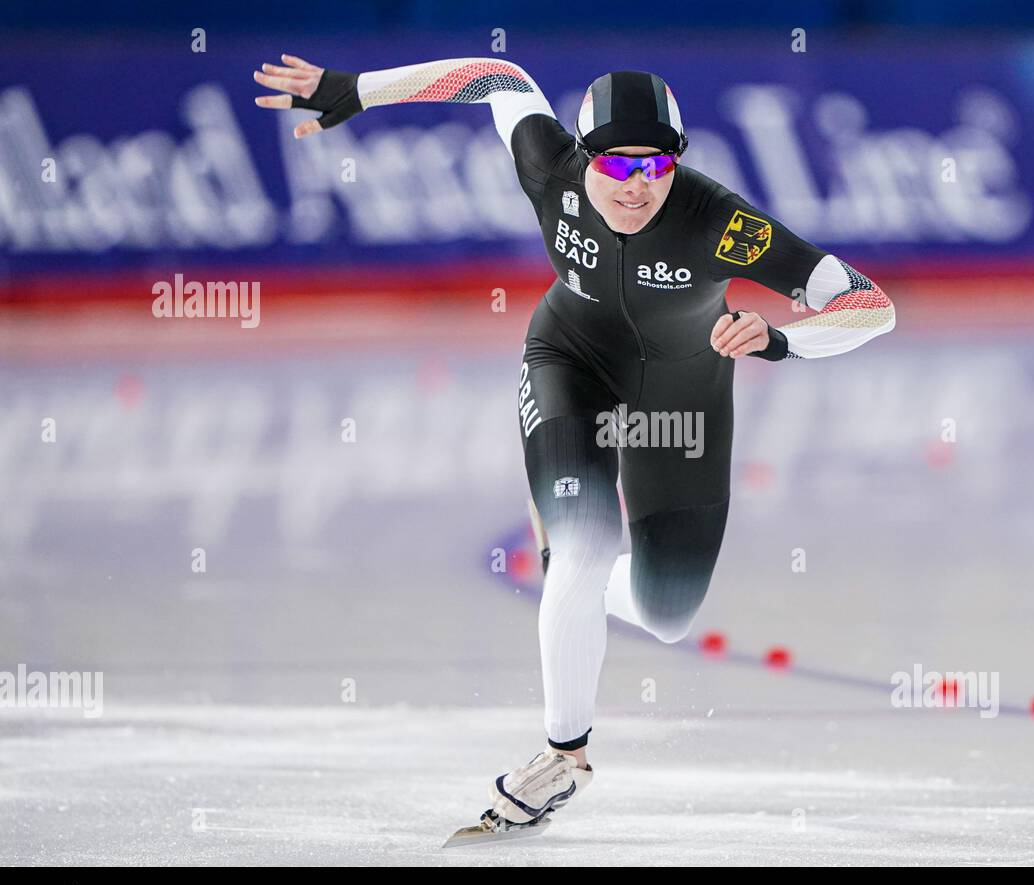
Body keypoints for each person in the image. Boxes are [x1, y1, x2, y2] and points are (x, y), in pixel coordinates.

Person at [254, 55, 896, 835]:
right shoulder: (547, 165)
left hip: (682, 403)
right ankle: (564, 754)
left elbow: (870, 306)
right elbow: (495, 77)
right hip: (571, 366)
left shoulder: (721, 221)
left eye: (657, 163)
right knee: (586, 547)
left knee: (668, 616)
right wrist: (360, 90)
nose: (638, 184)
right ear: (583, 155)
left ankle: (573, 576)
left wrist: (784, 341)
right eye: (617, 163)